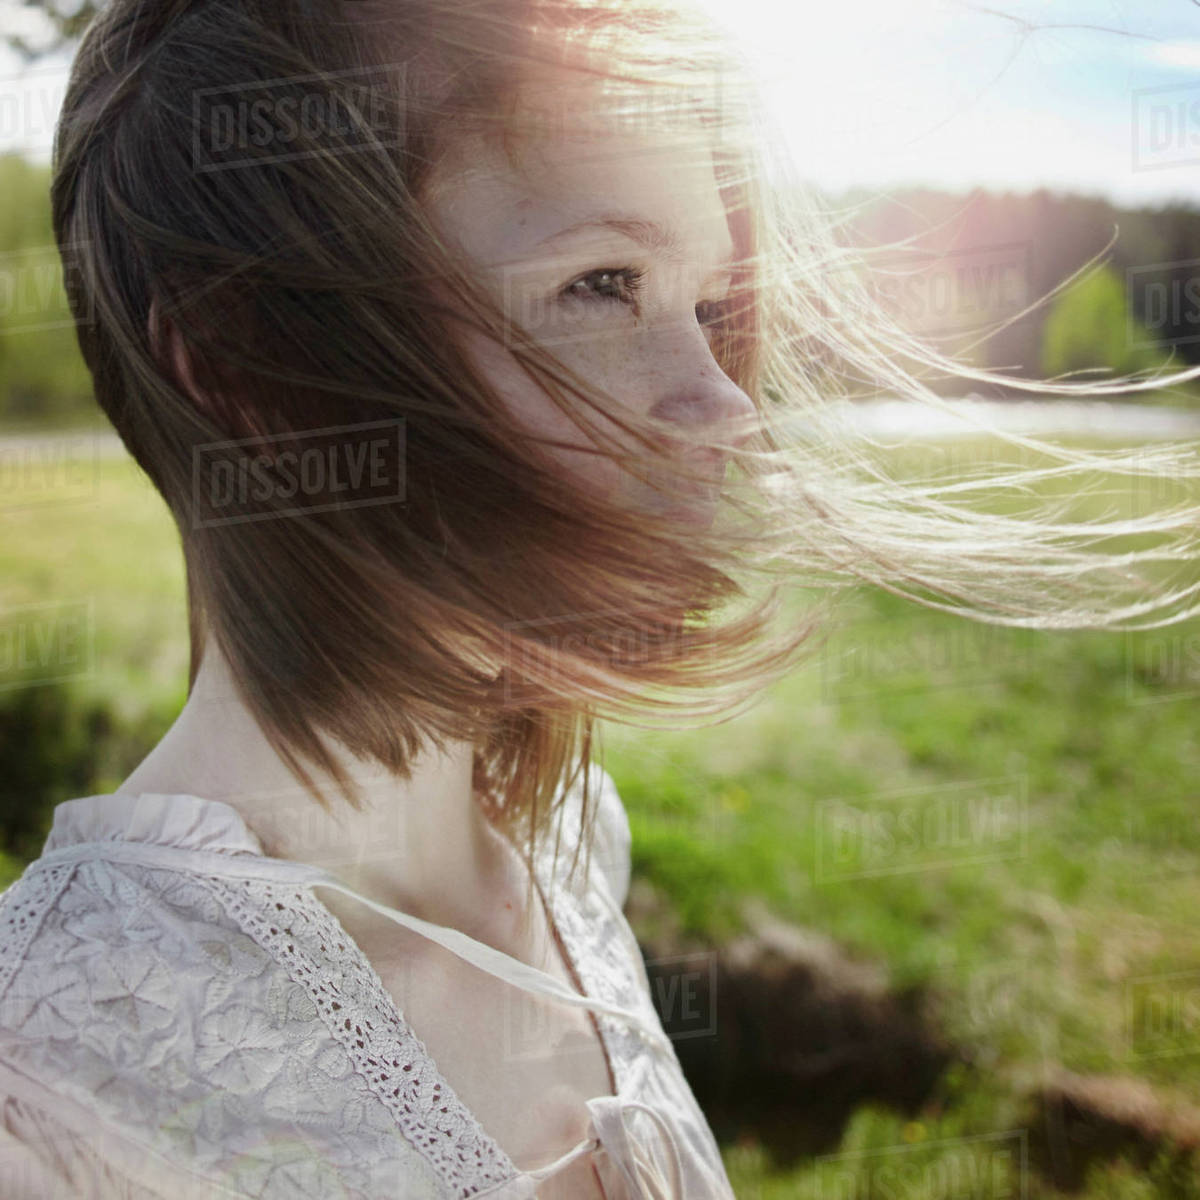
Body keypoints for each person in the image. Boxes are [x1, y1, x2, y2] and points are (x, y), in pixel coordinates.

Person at [1, 0, 1197, 1196]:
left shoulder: (572, 847)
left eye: (703, 303)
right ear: (246, 368)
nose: (727, 402)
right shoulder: (44, 1083)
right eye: (604, 282)